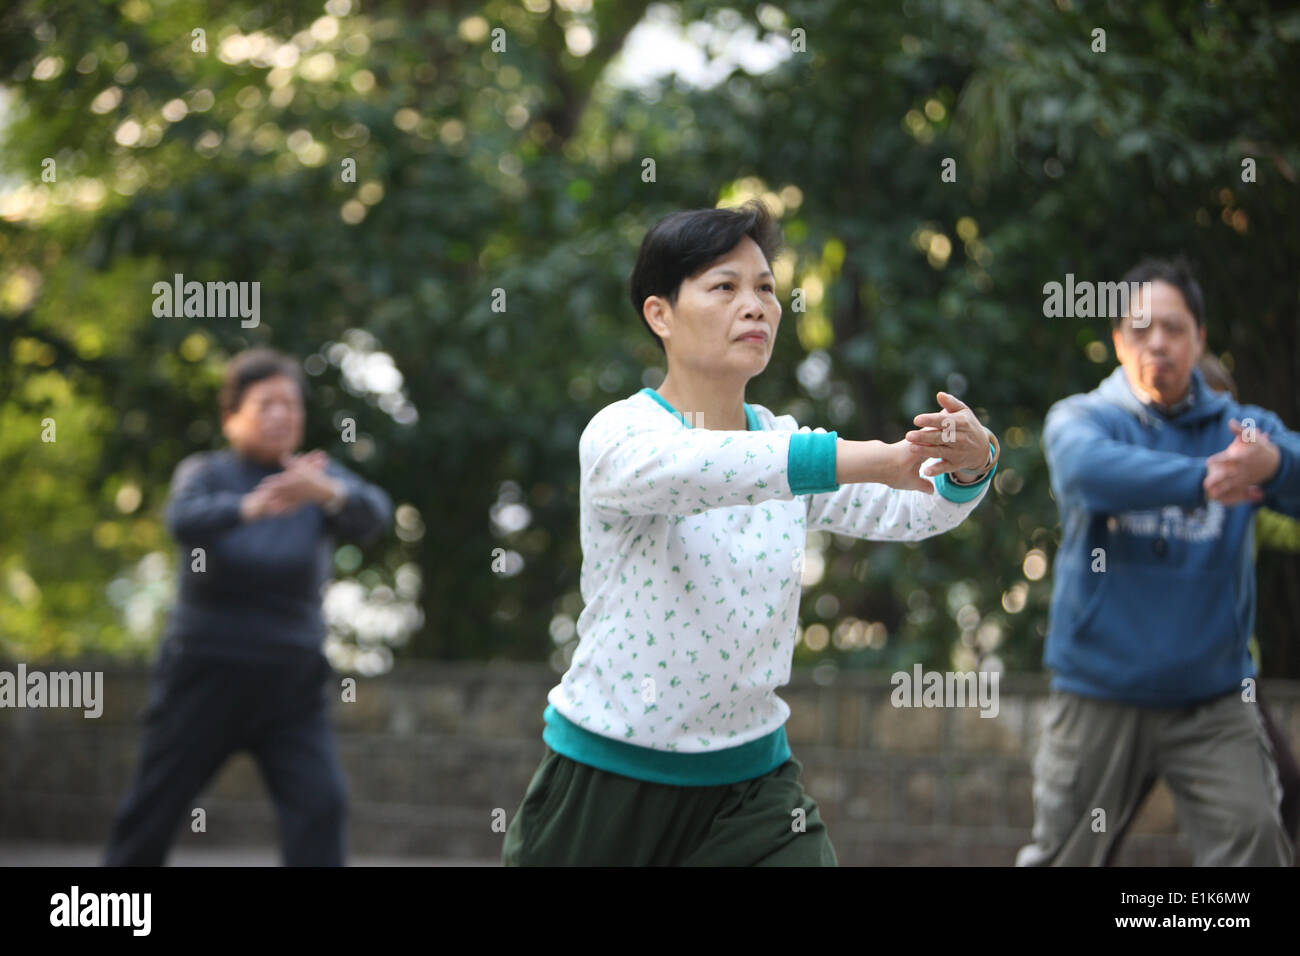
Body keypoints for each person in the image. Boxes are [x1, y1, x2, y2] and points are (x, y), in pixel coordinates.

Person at [503, 199, 1000, 866]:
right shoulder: (621, 438)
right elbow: (711, 468)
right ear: (660, 314)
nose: (757, 305)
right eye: (725, 287)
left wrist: (970, 467)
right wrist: (871, 457)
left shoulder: (782, 444)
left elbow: (908, 507)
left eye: (766, 288)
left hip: (753, 789)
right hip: (608, 779)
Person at [1018, 257, 1300, 867]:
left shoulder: (1241, 429)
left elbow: (1289, 463)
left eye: (1174, 328)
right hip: (1099, 693)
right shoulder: (1083, 419)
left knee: (1255, 840)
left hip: (1212, 699)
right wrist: (1210, 478)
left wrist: (1274, 467)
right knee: (1064, 856)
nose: (1159, 342)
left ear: (1200, 338)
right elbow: (1087, 473)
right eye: (1140, 329)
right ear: (1118, 341)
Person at [104, 348, 393, 866]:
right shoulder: (207, 474)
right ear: (231, 416)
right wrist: (247, 507)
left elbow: (374, 514)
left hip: (291, 685)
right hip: (204, 675)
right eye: (266, 404)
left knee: (321, 807)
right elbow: (182, 520)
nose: (282, 414)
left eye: (291, 404)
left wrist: (326, 493)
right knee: (153, 808)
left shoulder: (313, 480)